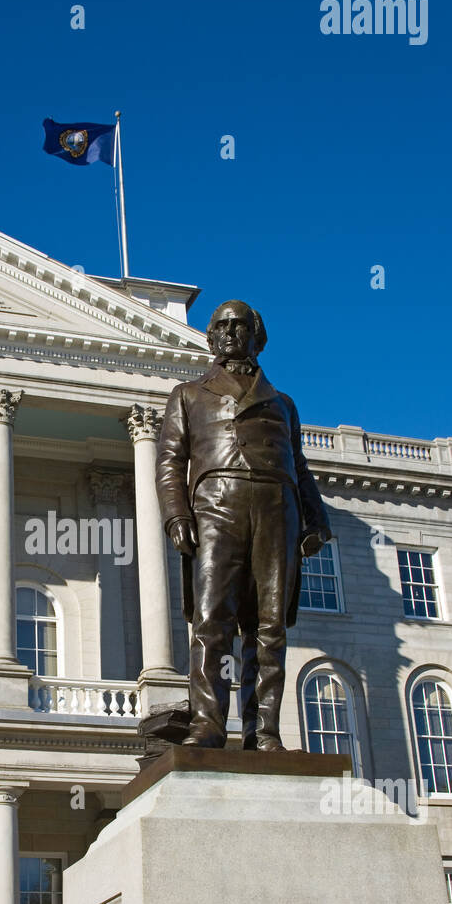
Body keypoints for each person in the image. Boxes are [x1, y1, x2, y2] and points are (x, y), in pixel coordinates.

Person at [156, 300, 332, 750]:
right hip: (217, 505)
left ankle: (265, 732)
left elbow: (300, 465)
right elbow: (171, 462)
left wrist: (317, 518)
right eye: (222, 325)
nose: (231, 331)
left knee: (269, 626)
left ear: (258, 336)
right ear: (211, 337)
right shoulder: (188, 394)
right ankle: (208, 725)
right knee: (212, 619)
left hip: (277, 507)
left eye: (240, 325)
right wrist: (177, 514)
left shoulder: (283, 403)